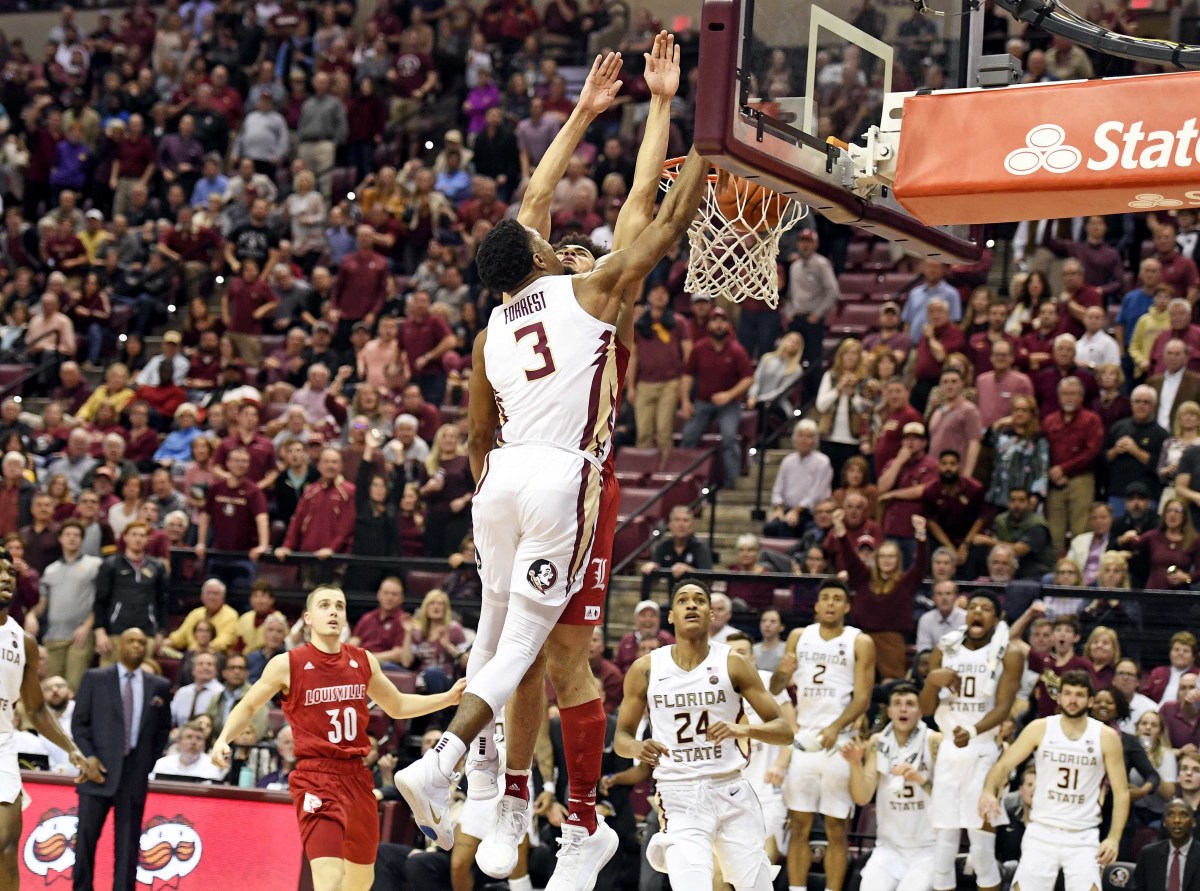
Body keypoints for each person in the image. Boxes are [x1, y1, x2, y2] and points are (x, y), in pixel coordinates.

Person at [391, 109, 709, 876]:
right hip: (557, 481)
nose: (569, 247)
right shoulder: (577, 292)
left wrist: (660, 107)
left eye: (578, 248)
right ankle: (507, 795)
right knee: (526, 653)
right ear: (540, 260)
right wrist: (708, 140)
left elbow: (634, 203)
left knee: (547, 655)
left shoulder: (569, 303)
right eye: (557, 247)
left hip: (532, 479)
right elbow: (639, 217)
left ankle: (555, 813)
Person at [210, 586, 464, 891]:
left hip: (357, 777)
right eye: (325, 605)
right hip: (316, 778)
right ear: (308, 617)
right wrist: (224, 737)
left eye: (339, 606)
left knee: (360, 883)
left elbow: (396, 705)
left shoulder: (363, 660)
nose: (333, 611)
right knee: (328, 880)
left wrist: (447, 698)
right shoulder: (287, 663)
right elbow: (249, 705)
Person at [614, 579, 792, 891]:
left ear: (712, 614)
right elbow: (621, 740)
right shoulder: (646, 669)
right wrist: (638, 746)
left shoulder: (733, 663)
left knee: (757, 886)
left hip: (730, 789)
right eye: (683, 600)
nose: (692, 605)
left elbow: (784, 730)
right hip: (678, 792)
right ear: (671, 616)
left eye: (700, 600)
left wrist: (743, 728)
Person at [0, 548, 99, 888]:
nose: (5, 578)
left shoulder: (23, 641)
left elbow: (37, 709)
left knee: (6, 846)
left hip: (2, 741)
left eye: (10, 572)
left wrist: (72, 750)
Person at [978, 670, 1129, 891]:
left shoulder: (1106, 736)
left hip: (1083, 835)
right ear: (1059, 697)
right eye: (1067, 693)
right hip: (1041, 831)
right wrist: (988, 791)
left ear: (1090, 701)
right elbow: (1002, 766)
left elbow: (1122, 792)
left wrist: (1114, 838)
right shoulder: (1040, 728)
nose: (1073, 699)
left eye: (1079, 694)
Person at [770, 578, 876, 891]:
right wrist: (781, 670)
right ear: (816, 605)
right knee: (799, 825)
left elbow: (863, 698)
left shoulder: (860, 641)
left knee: (836, 828)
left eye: (836, 599)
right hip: (804, 739)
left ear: (846, 606)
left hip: (839, 741)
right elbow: (776, 688)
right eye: (825, 598)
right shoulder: (798, 636)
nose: (830, 603)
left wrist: (835, 725)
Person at [919, 590, 1024, 891]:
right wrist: (930, 680)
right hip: (949, 751)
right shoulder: (945, 648)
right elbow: (925, 709)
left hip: (982, 750)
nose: (978, 611)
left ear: (997, 617)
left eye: (986, 608)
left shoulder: (1011, 652)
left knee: (981, 852)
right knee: (943, 851)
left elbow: (1004, 706)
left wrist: (975, 731)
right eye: (973, 607)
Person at [72, 627, 172, 891]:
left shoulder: (159, 686)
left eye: (142, 642)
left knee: (128, 845)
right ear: (119, 646)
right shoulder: (94, 678)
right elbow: (79, 724)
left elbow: (163, 731)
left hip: (134, 774)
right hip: (97, 771)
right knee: (85, 840)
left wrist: (145, 764)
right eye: (132, 641)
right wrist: (89, 757)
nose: (138, 646)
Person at [842, 683, 941, 891]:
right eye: (897, 703)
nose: (903, 709)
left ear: (920, 711)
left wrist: (921, 780)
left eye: (910, 704)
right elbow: (862, 797)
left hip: (927, 849)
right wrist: (854, 765)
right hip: (888, 848)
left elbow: (949, 799)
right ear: (889, 711)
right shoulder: (878, 743)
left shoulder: (934, 741)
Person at [28, 520, 100, 692]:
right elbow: (42, 603)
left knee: (72, 689)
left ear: (82, 540)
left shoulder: (95, 565)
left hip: (80, 637)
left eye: (77, 535)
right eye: (68, 534)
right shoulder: (51, 570)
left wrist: (86, 627)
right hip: (53, 637)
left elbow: (102, 601)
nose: (72, 538)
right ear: (60, 538)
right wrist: (31, 615)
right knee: (49, 689)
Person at [1131, 798, 1200, 891]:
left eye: (1183, 815)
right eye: (1171, 815)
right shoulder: (1149, 854)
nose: (1177, 820)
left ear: (1193, 822)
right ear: (1164, 822)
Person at [151, 718, 223, 781]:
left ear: (204, 744)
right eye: (189, 737)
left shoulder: (212, 766)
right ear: (178, 742)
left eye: (199, 738)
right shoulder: (163, 764)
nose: (193, 742)